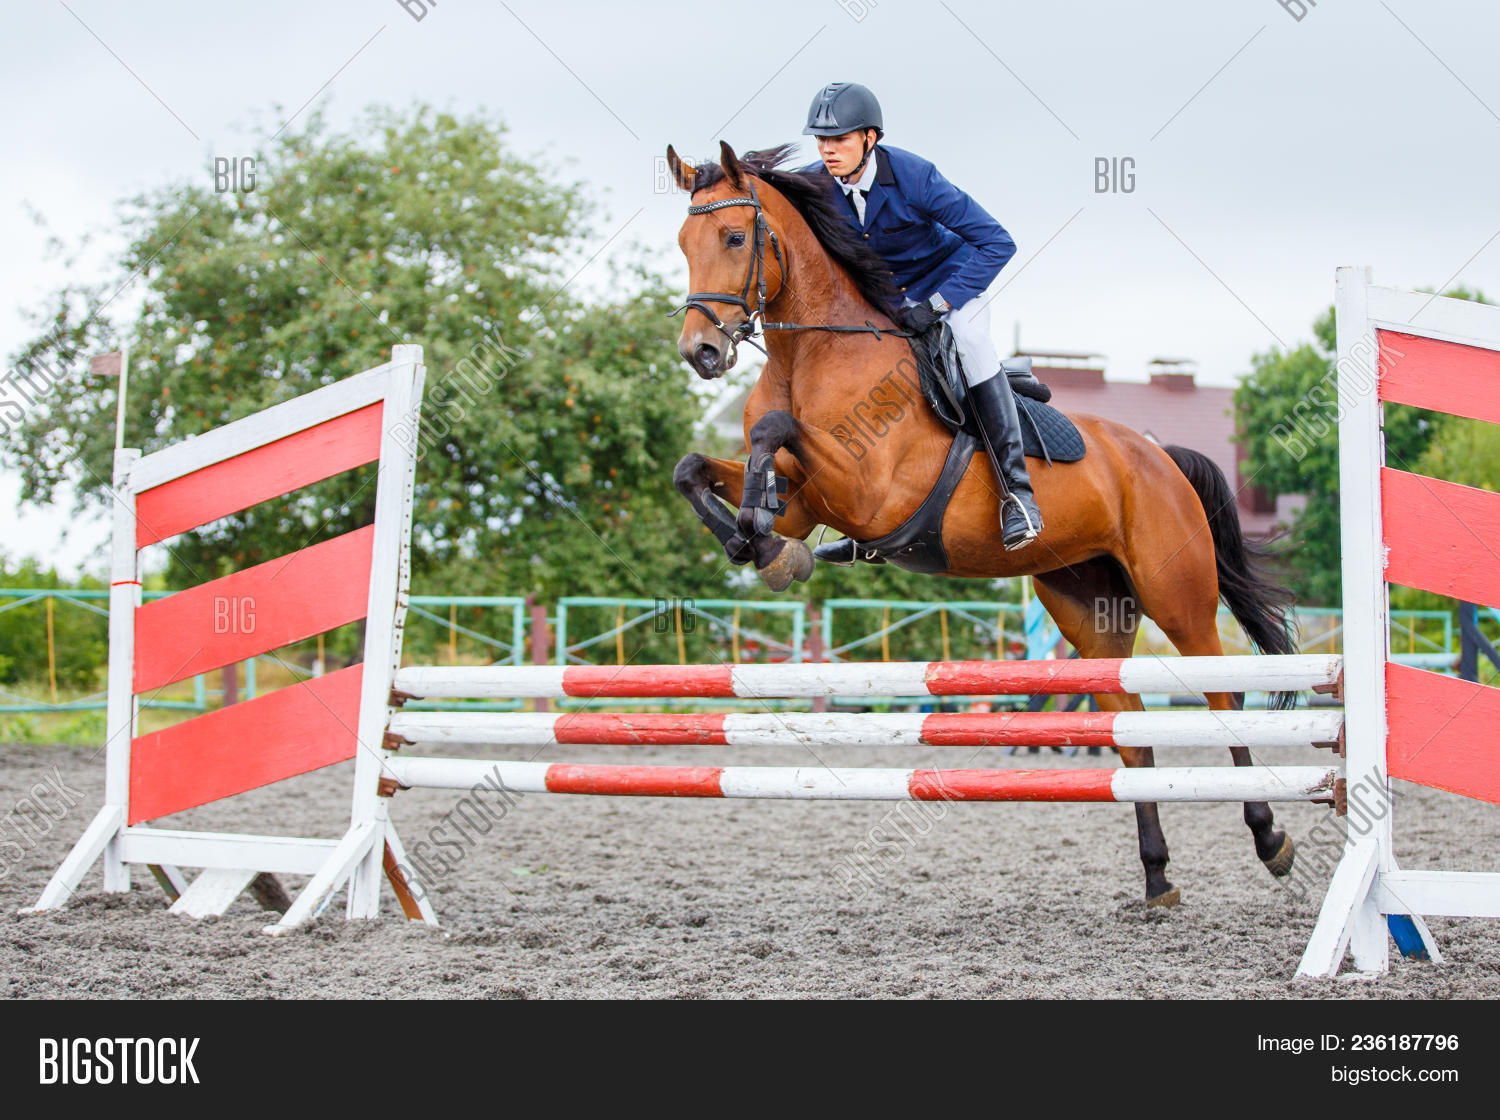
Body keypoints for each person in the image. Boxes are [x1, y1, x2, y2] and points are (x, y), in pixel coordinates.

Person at [800, 81, 1043, 553]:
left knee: (970, 342)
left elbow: (998, 242)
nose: (828, 151)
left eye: (840, 140)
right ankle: (868, 523)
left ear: (870, 138)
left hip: (950, 287)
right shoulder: (814, 184)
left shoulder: (915, 177)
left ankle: (1018, 495)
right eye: (821, 141)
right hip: (887, 303)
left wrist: (937, 305)